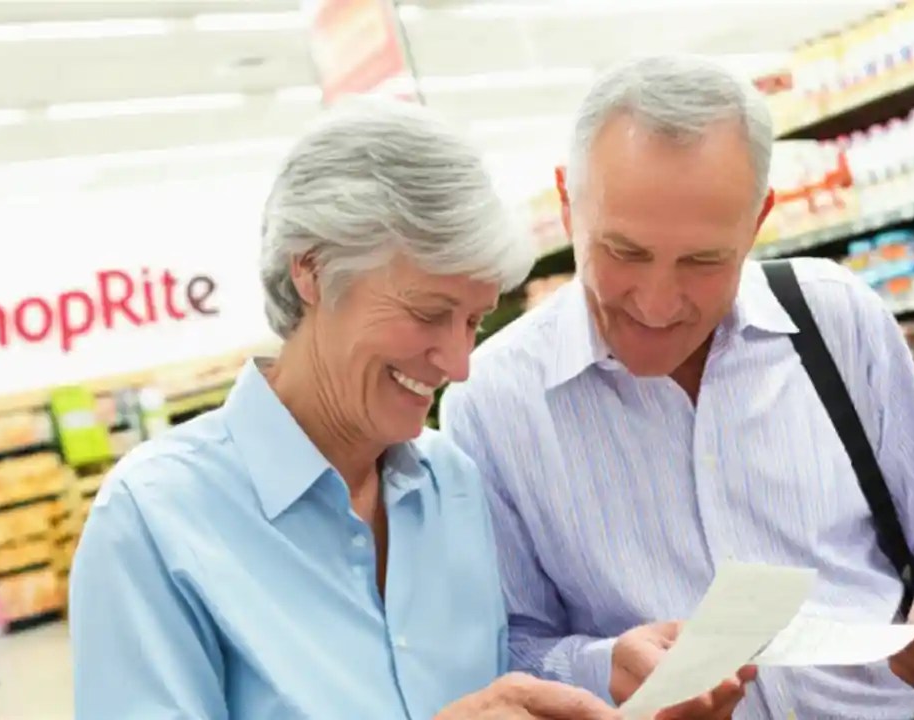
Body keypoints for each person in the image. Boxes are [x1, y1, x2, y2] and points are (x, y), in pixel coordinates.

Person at [440, 55, 914, 719]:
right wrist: (602, 667)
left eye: (703, 261)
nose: (658, 304)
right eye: (624, 252)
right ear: (568, 204)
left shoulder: (835, 319)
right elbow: (506, 646)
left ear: (757, 223)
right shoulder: (489, 399)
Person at [68, 96, 629, 720]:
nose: (458, 363)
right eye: (427, 313)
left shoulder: (454, 485)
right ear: (312, 270)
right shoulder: (155, 520)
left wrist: (603, 678)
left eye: (473, 321)